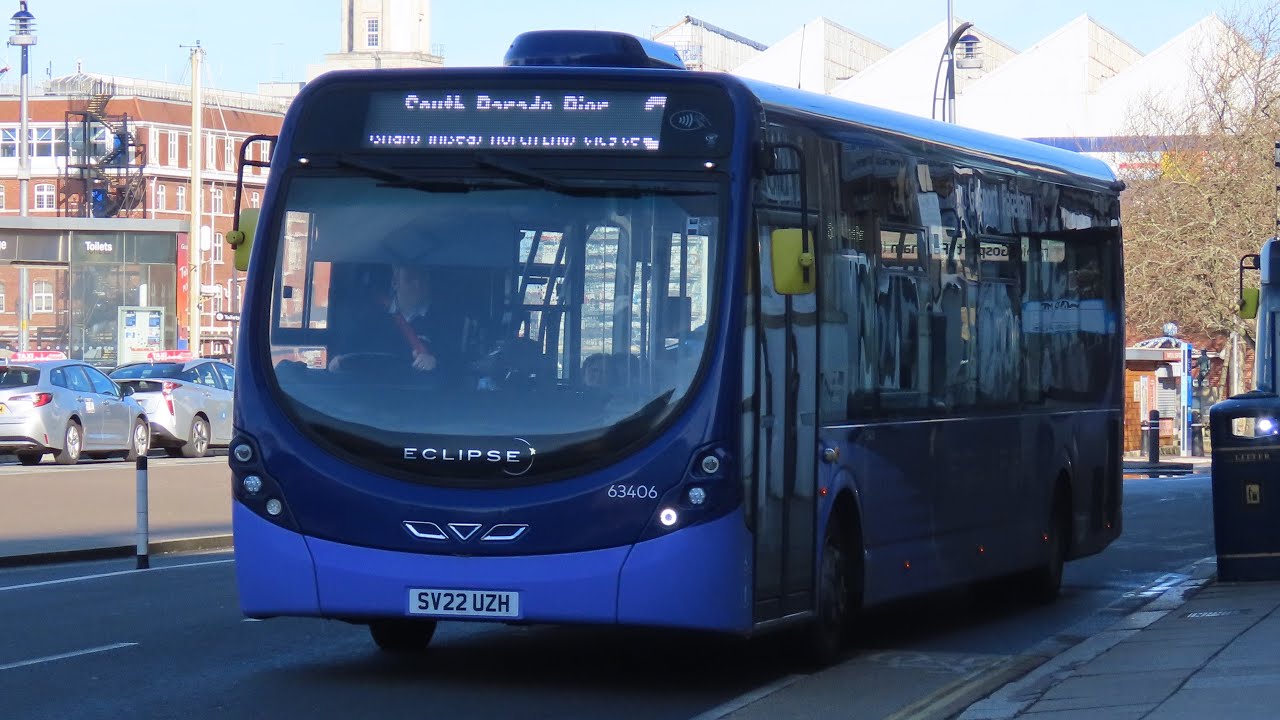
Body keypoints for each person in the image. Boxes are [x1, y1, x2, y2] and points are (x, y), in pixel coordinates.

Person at [329, 263, 468, 374]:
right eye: (410, 278)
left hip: (424, 397)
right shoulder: (369, 317)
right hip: (372, 395)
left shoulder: (445, 319)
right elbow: (346, 352)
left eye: (423, 277)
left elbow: (457, 362)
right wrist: (337, 361)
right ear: (395, 282)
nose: (418, 284)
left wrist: (435, 362)